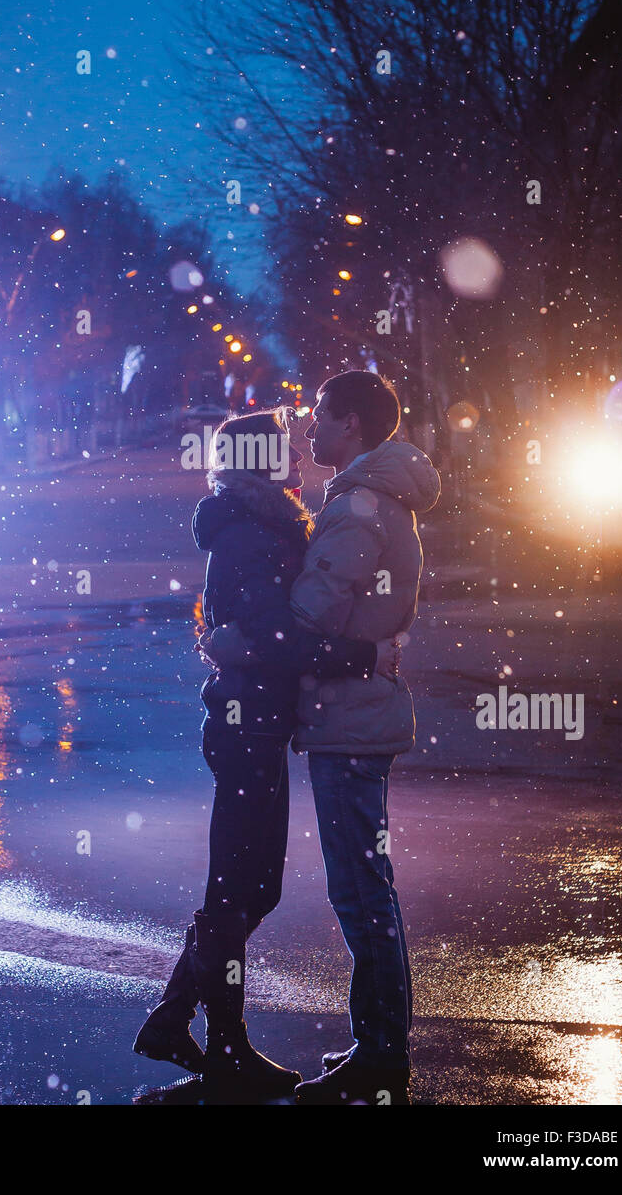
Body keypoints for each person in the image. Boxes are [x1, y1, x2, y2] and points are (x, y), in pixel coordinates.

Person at [133, 407, 393, 1104]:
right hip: (246, 726)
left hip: (257, 723)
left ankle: (177, 1022)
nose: (296, 456)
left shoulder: (262, 523)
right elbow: (275, 632)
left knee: (250, 888)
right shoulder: (252, 530)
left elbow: (258, 629)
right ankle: (220, 1044)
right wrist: (362, 654)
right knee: (239, 890)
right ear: (261, 458)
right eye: (282, 447)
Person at [203, 372, 440, 1105]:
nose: (309, 436)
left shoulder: (355, 510)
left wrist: (232, 638)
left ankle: (380, 1056)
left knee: (362, 891)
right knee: (359, 887)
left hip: (350, 720)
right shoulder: (367, 500)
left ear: (354, 427)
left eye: (321, 422)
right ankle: (375, 1045)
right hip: (352, 714)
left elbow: (301, 620)